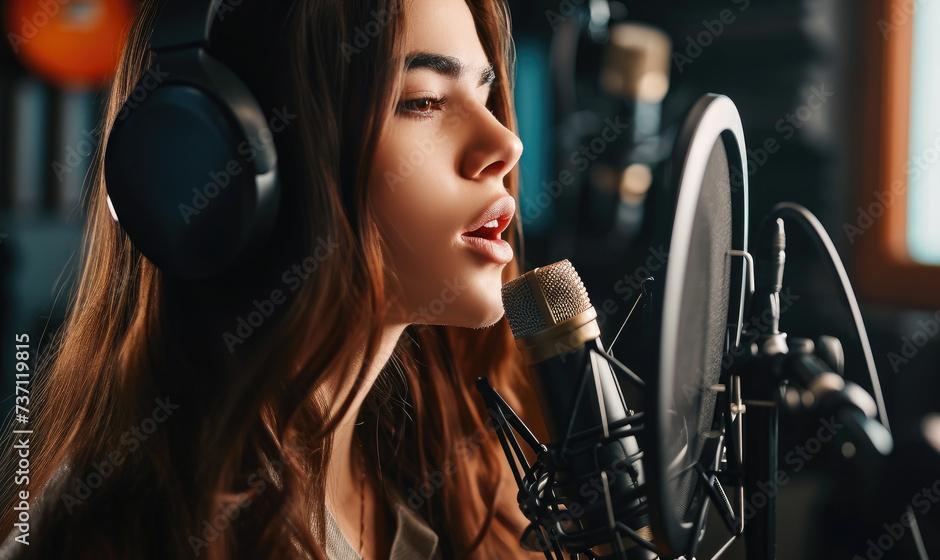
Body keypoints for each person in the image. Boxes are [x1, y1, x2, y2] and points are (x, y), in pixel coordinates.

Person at [0, 0, 544, 558]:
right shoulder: (121, 537)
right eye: (423, 101)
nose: (505, 145)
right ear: (222, 164)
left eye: (484, 94)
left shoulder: (446, 484)